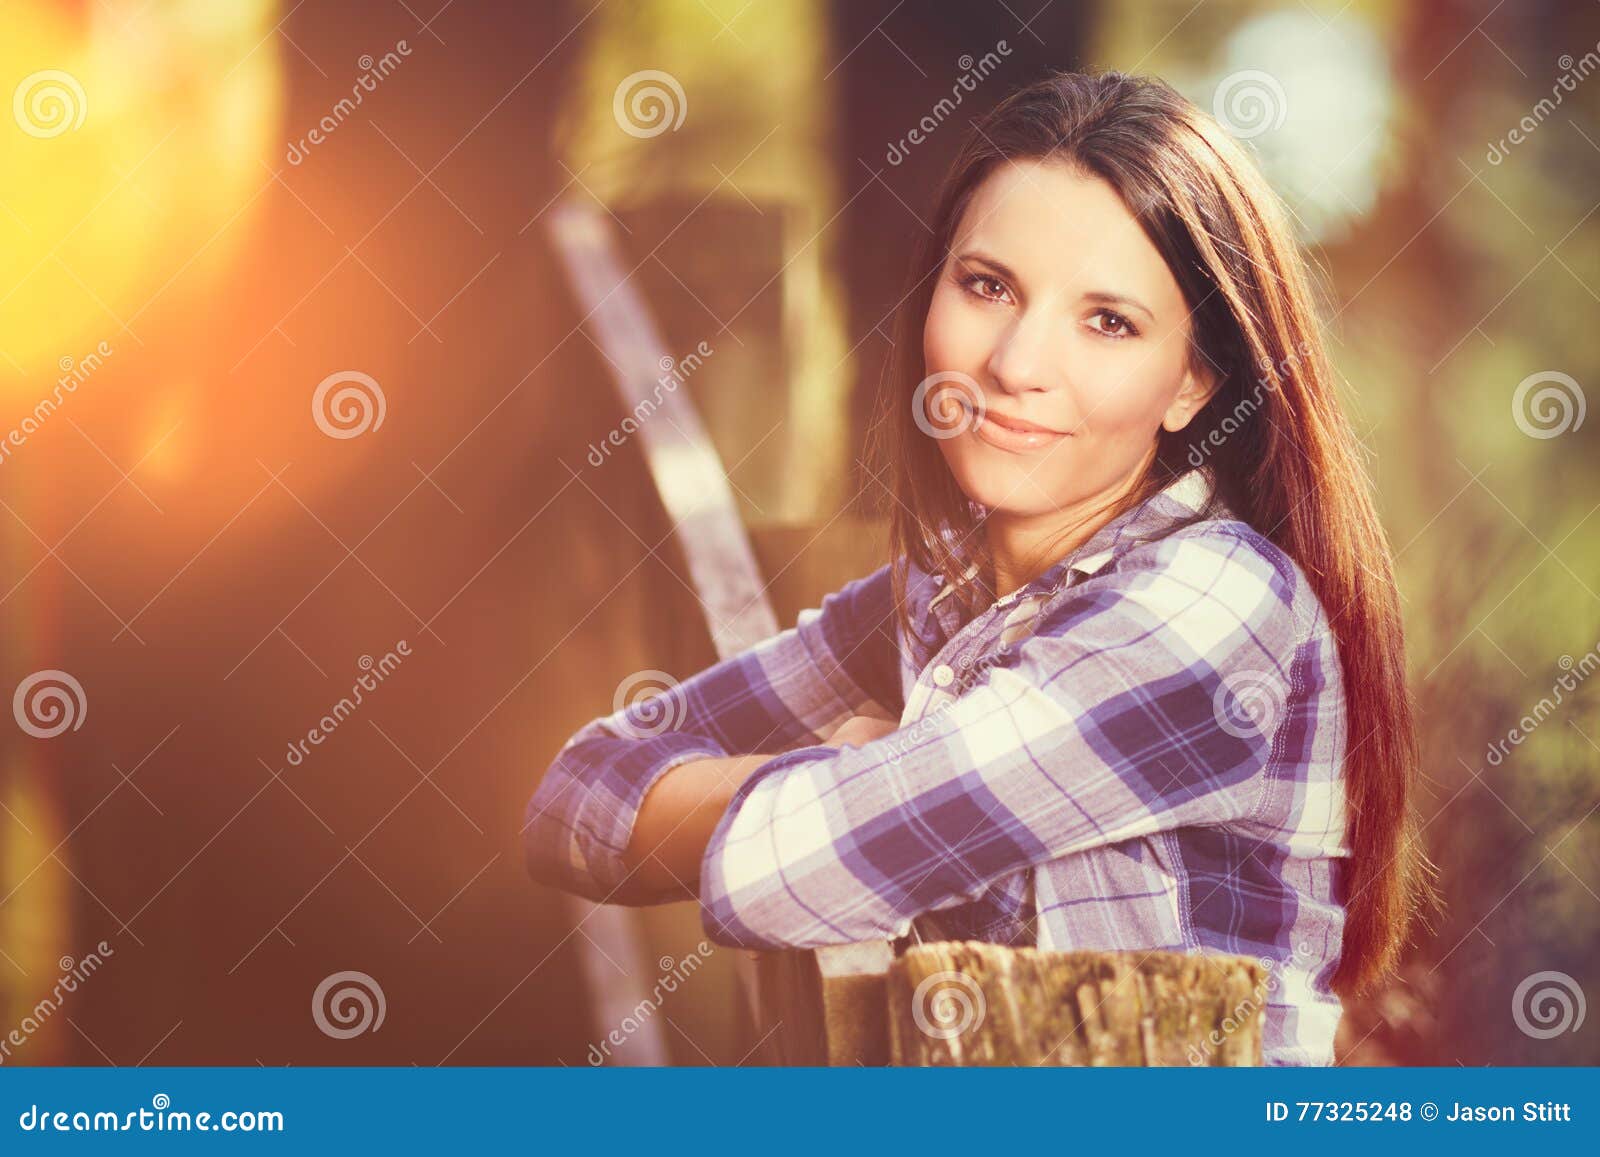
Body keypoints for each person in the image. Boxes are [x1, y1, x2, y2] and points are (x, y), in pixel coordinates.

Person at [522, 69, 1434, 1066]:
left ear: (1191, 383)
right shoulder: (941, 595)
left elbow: (792, 865)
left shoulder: (1213, 612)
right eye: (987, 285)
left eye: (1107, 321)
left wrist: (845, 780)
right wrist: (856, 772)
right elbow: (578, 800)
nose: (1014, 363)